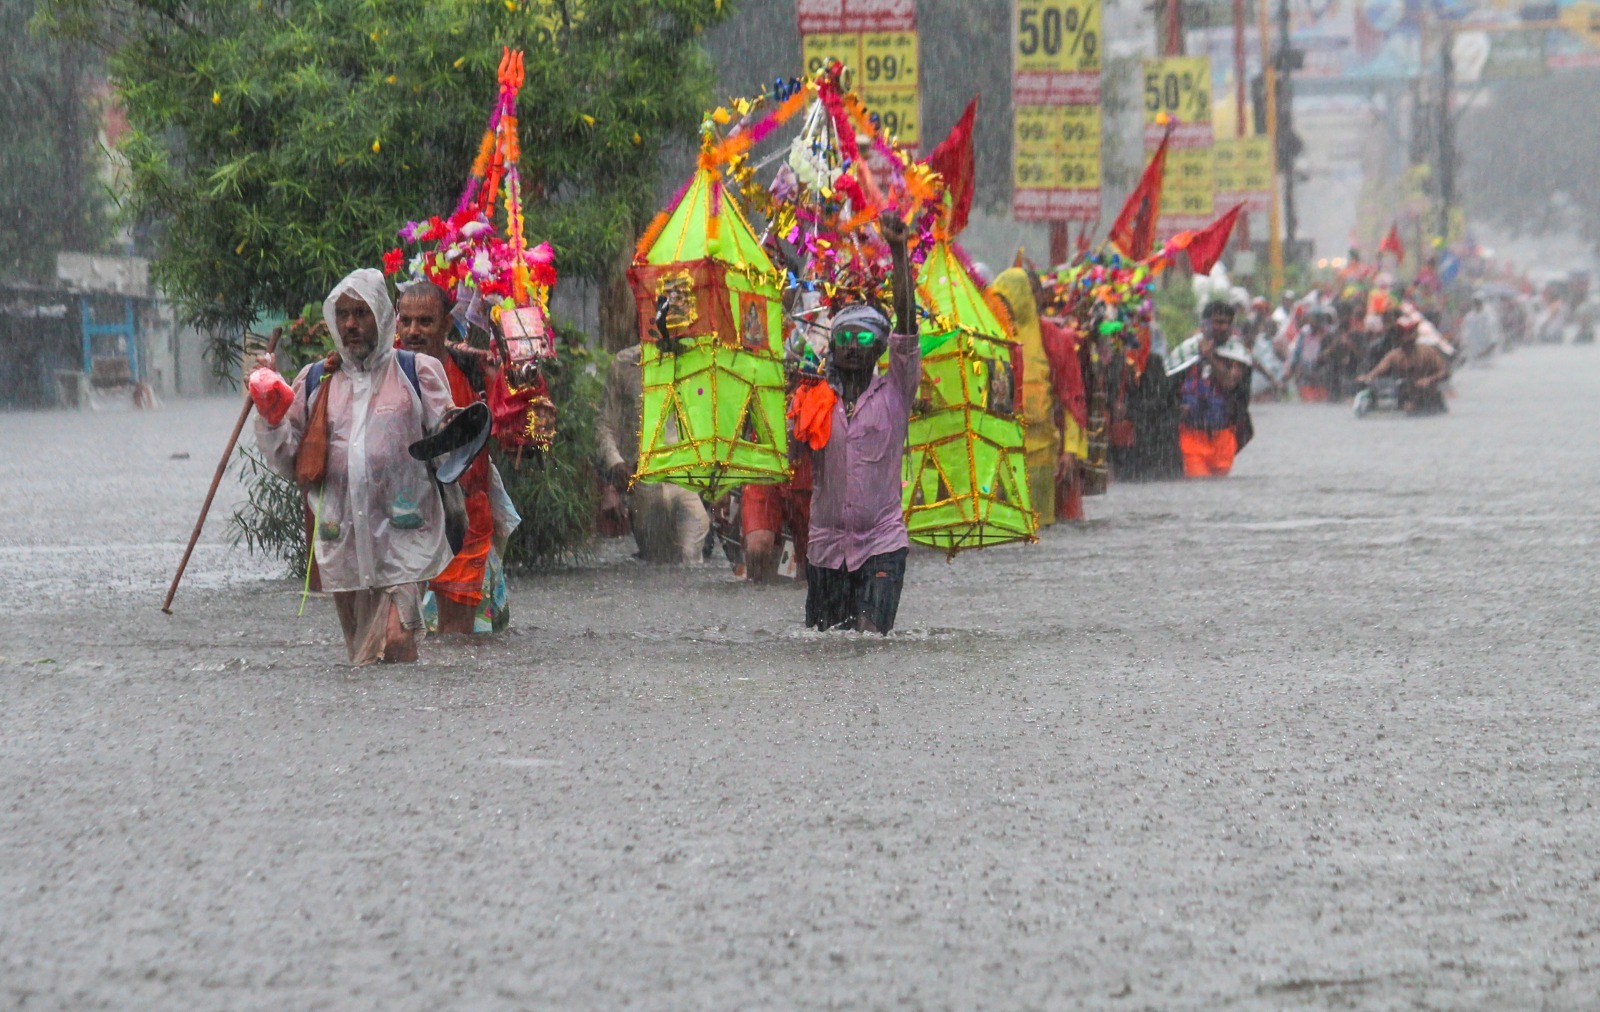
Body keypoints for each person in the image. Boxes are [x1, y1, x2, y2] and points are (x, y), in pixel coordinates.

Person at [252, 269, 456, 665]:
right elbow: (287, 459)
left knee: (397, 641)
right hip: (343, 539)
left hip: (406, 538)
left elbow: (449, 445)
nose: (351, 324)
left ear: (382, 314)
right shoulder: (315, 380)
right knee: (362, 659)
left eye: (361, 313)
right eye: (343, 314)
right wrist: (270, 408)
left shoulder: (418, 372)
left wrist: (456, 427)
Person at [803, 212, 921, 633]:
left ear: (879, 351)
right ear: (832, 348)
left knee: (869, 642)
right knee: (826, 649)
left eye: (865, 339)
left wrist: (898, 251)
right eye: (844, 339)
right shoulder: (813, 401)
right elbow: (787, 455)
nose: (853, 347)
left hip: (882, 545)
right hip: (826, 548)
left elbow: (907, 327)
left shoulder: (896, 391)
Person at [394, 280, 519, 634]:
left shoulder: (475, 368)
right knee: (398, 638)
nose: (413, 331)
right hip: (400, 523)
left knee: (457, 642)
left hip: (462, 521)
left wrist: (519, 381)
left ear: (447, 323)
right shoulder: (381, 369)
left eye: (425, 322)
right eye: (406, 321)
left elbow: (516, 431)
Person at [595, 328, 712, 565]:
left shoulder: (698, 363)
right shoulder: (625, 365)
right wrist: (615, 464)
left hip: (684, 478)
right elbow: (606, 424)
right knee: (657, 564)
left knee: (690, 558)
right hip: (644, 482)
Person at [989, 267, 1085, 526]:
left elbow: (1072, 399)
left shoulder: (1055, 339)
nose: (1003, 307)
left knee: (1041, 527)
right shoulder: (990, 335)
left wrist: (1071, 450)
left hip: (1042, 450)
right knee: (1004, 529)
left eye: (1008, 301)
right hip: (1000, 451)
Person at [1167, 300, 1254, 478]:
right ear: (1204, 323)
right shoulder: (1186, 351)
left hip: (1223, 435)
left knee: (1217, 487)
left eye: (1226, 322)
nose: (1222, 327)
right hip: (1191, 433)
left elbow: (1230, 382)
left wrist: (1209, 357)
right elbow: (1167, 384)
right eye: (1217, 322)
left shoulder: (1238, 353)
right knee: (1199, 481)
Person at [1357, 312, 1450, 415]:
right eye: (1403, 334)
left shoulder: (1428, 352)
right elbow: (1378, 370)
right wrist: (1366, 377)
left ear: (1415, 334)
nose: (1407, 337)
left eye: (1410, 333)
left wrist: (1429, 380)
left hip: (1429, 397)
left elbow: (1444, 372)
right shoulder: (1394, 355)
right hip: (1406, 395)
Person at [1457, 291, 1500, 364]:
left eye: (1479, 302)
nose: (1477, 304)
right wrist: (1463, 350)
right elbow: (1465, 334)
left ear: (1483, 302)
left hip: (1488, 359)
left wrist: (1484, 353)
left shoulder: (1489, 317)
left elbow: (1494, 340)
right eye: (1475, 302)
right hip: (1473, 358)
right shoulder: (1469, 317)